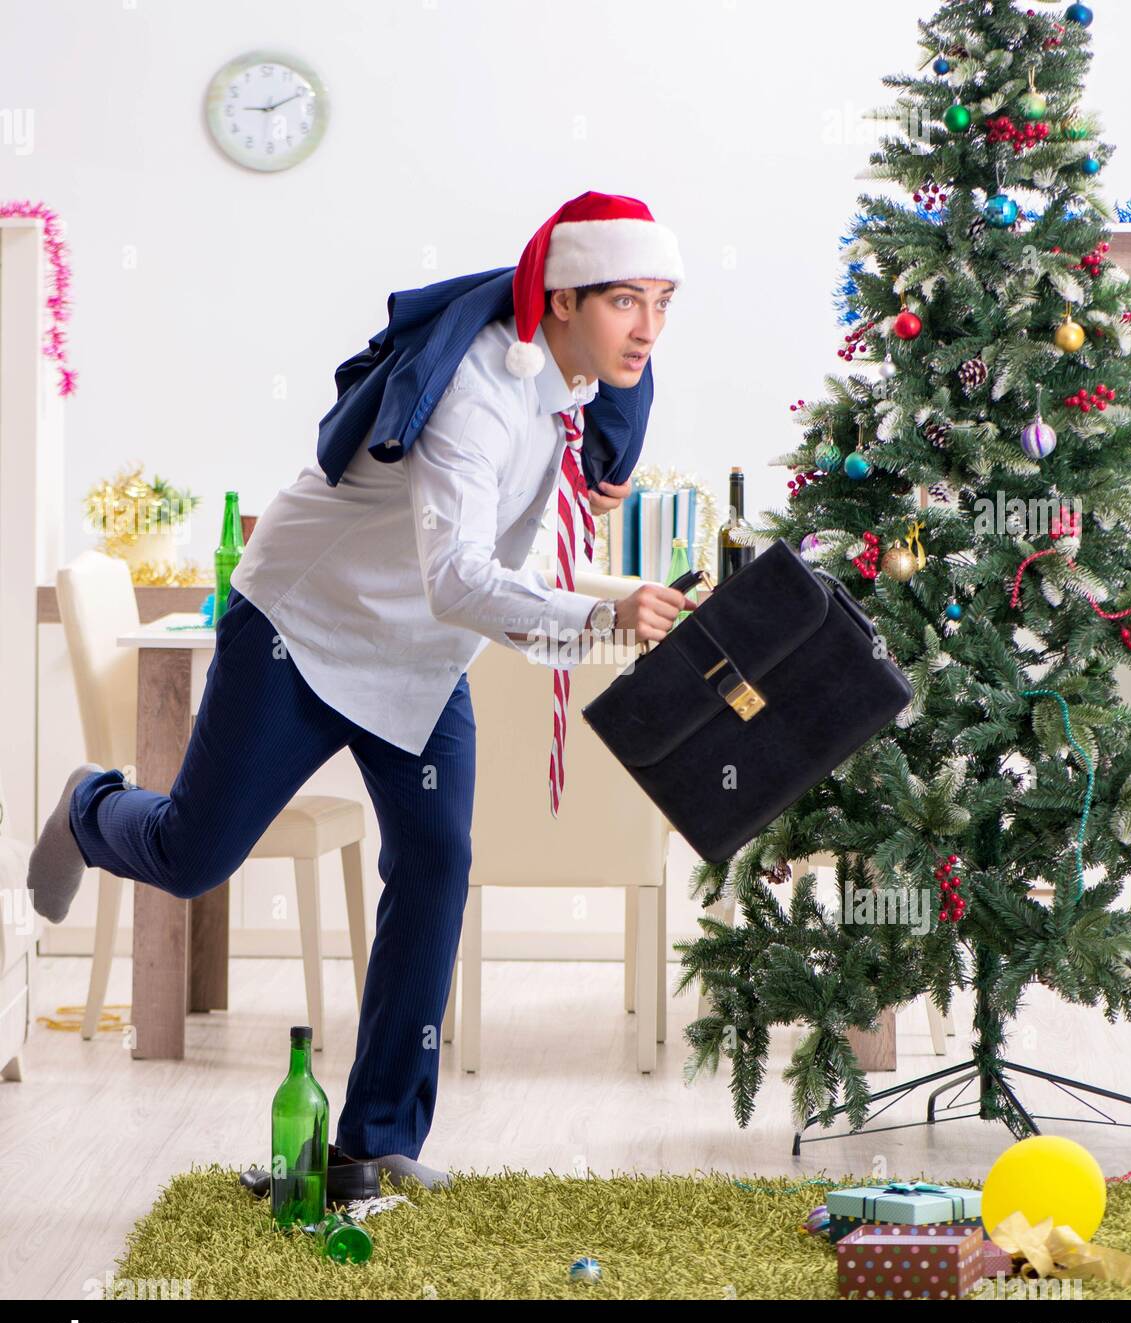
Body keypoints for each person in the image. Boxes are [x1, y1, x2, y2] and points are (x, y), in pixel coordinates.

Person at [26, 190, 694, 1186]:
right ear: (561, 300)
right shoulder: (476, 389)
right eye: (625, 302)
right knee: (192, 854)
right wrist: (598, 619)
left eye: (663, 301)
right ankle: (89, 808)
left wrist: (603, 539)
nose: (648, 328)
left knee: (434, 864)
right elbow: (459, 575)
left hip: (420, 661)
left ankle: (375, 1142)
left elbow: (516, 548)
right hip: (305, 627)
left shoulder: (575, 390)